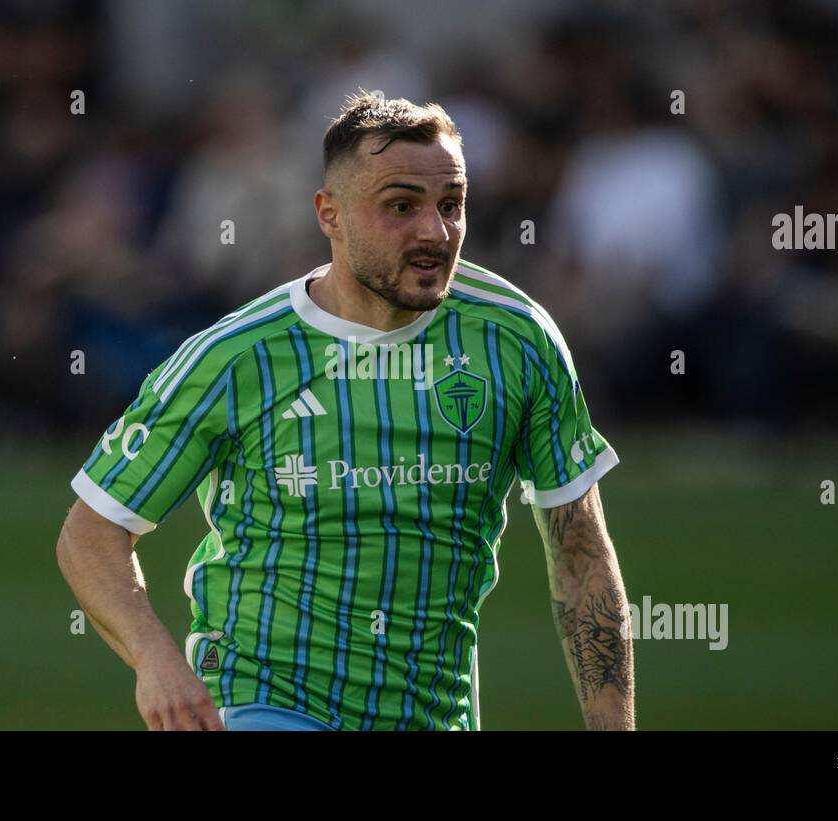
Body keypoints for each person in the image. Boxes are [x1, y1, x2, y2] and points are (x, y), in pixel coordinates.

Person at [56, 92, 633, 730]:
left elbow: (580, 552)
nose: (434, 233)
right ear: (329, 215)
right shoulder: (237, 357)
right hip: (264, 702)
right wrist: (155, 660)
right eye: (400, 207)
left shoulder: (516, 339)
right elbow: (92, 531)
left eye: (451, 205)